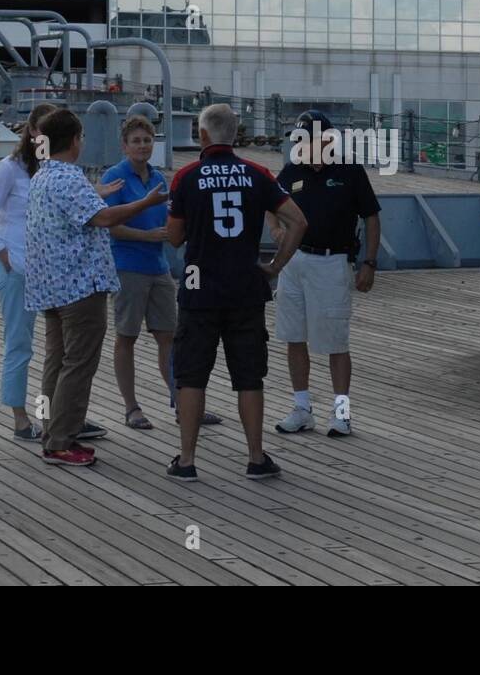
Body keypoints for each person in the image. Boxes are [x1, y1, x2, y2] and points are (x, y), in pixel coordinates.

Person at [165, 104, 307, 482]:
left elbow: (175, 236)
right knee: (249, 378)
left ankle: (188, 460)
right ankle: (256, 457)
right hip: (246, 289)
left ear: (203, 135)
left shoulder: (186, 177)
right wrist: (275, 266)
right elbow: (298, 221)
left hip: (199, 291)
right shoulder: (257, 174)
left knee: (192, 376)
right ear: (236, 134)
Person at [24, 108, 169, 466]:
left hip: (51, 287)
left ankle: (52, 431)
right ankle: (61, 442)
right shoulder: (70, 179)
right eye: (82, 137)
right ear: (74, 141)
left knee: (56, 361)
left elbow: (82, 208)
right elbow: (103, 218)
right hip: (79, 287)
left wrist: (96, 192)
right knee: (79, 363)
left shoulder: (43, 177)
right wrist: (146, 203)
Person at [101, 114, 221, 430]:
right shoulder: (115, 177)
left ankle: (183, 403)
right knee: (126, 338)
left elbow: (171, 217)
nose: (142, 146)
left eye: (147, 140)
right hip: (128, 267)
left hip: (159, 267)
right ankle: (132, 408)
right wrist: (147, 236)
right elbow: (109, 225)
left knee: (169, 337)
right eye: (136, 141)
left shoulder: (158, 178)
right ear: (124, 146)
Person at [270, 110, 381, 438]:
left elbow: (372, 217)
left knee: (336, 341)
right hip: (294, 262)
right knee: (293, 336)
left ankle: (342, 413)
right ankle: (302, 409)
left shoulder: (349, 172)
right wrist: (276, 231)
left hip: (332, 263)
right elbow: (270, 205)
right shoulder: (290, 172)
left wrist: (369, 263)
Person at [0, 102, 58, 441]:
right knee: (19, 344)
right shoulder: (9, 168)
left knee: (61, 348)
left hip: (50, 269)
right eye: (44, 132)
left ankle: (62, 417)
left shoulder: (55, 169)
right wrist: (2, 251)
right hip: (17, 267)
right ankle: (21, 420)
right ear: (33, 131)